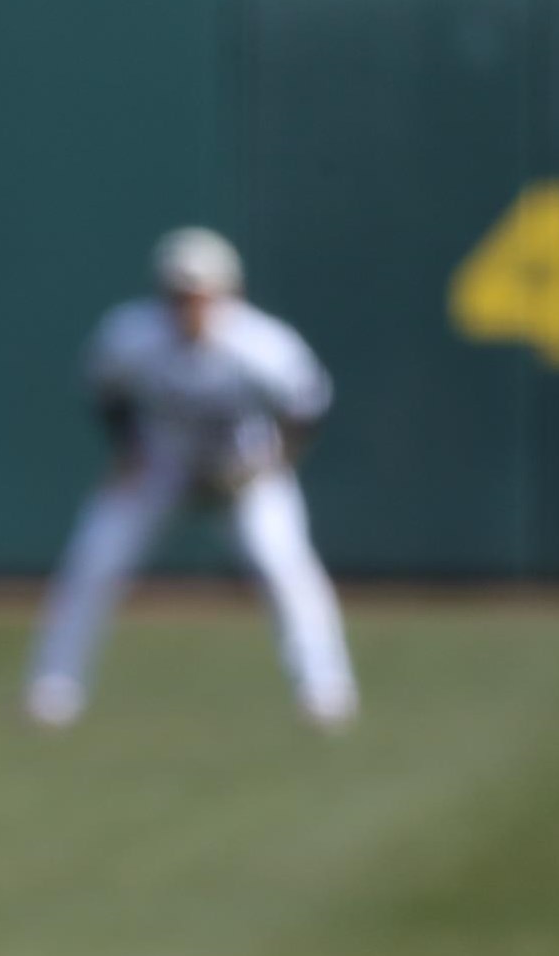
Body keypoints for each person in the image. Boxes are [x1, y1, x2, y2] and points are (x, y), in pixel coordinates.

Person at [25, 227, 359, 731]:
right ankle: (55, 688)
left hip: (242, 471)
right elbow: (107, 394)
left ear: (228, 293)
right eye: (180, 294)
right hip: (164, 465)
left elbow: (308, 406)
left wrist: (276, 464)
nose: (191, 305)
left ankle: (326, 689)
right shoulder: (132, 334)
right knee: (94, 558)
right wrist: (130, 452)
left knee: (287, 567)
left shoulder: (261, 344)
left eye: (202, 294)